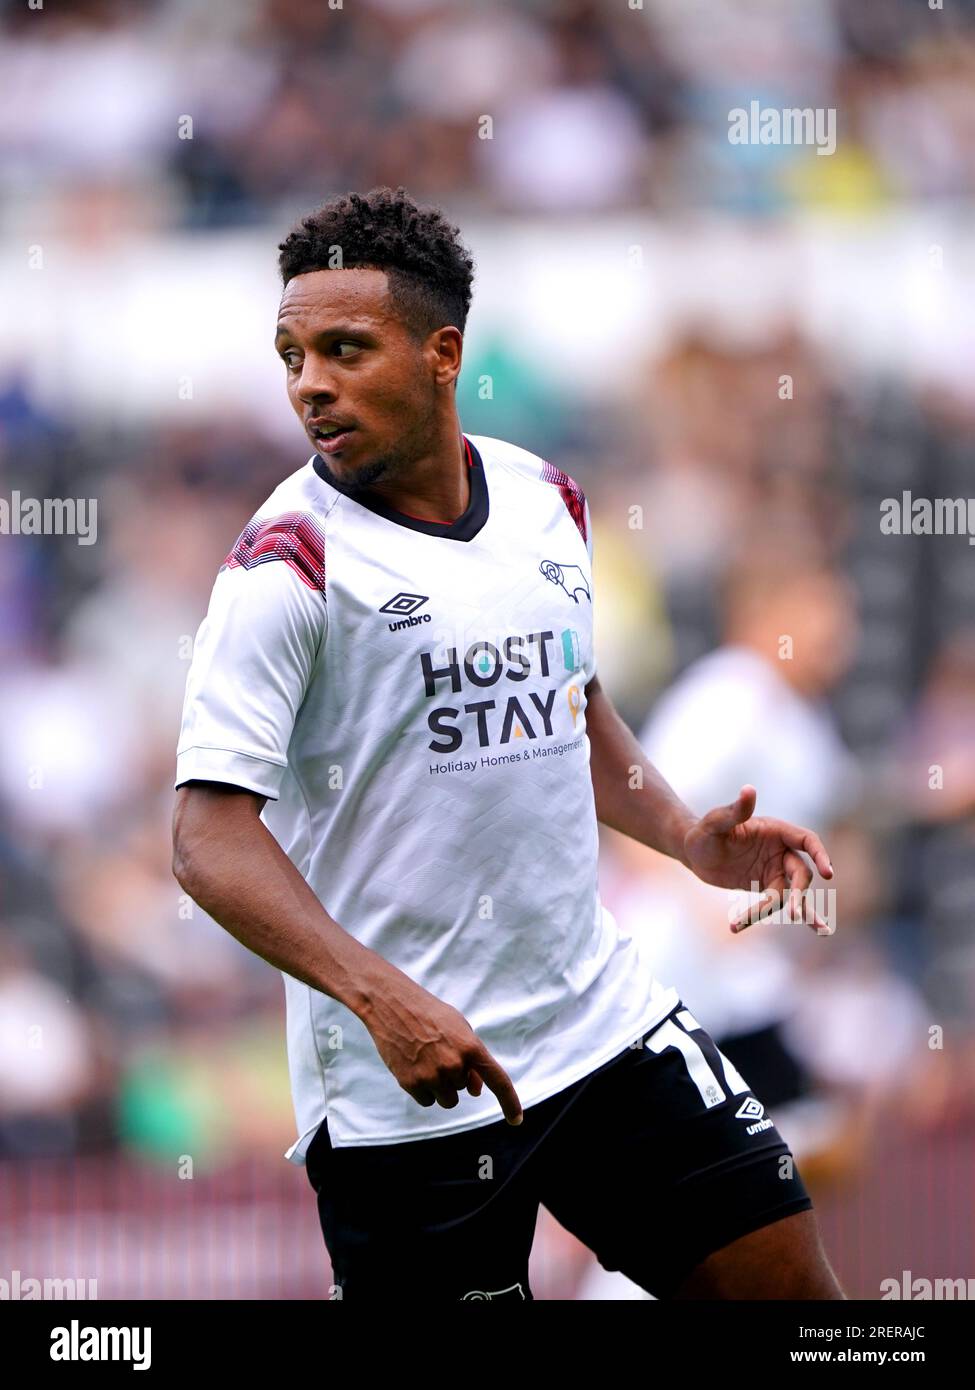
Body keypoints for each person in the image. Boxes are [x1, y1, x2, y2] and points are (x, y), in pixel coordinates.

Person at [171, 186, 844, 1301]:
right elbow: (205, 840)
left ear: (444, 354)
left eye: (344, 348)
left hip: (601, 1023)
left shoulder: (544, 498)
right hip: (417, 1087)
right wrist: (380, 998)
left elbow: (571, 708)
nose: (309, 384)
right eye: (291, 355)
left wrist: (685, 836)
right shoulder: (285, 564)